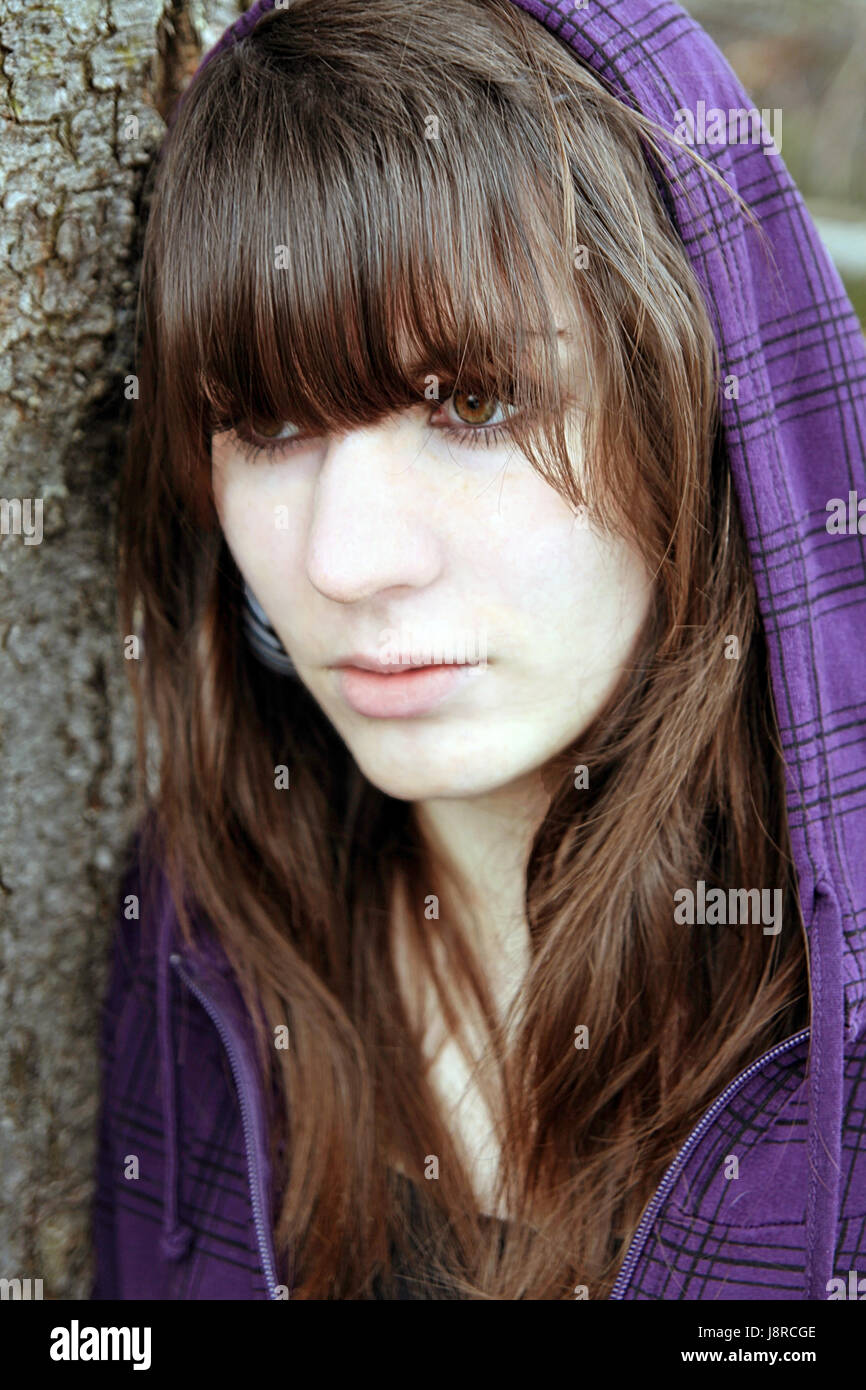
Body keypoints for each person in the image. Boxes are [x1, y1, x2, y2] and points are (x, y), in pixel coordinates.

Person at [91, 0, 866, 1300]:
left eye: (475, 401)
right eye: (266, 424)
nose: (343, 559)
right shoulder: (196, 943)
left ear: (700, 406)